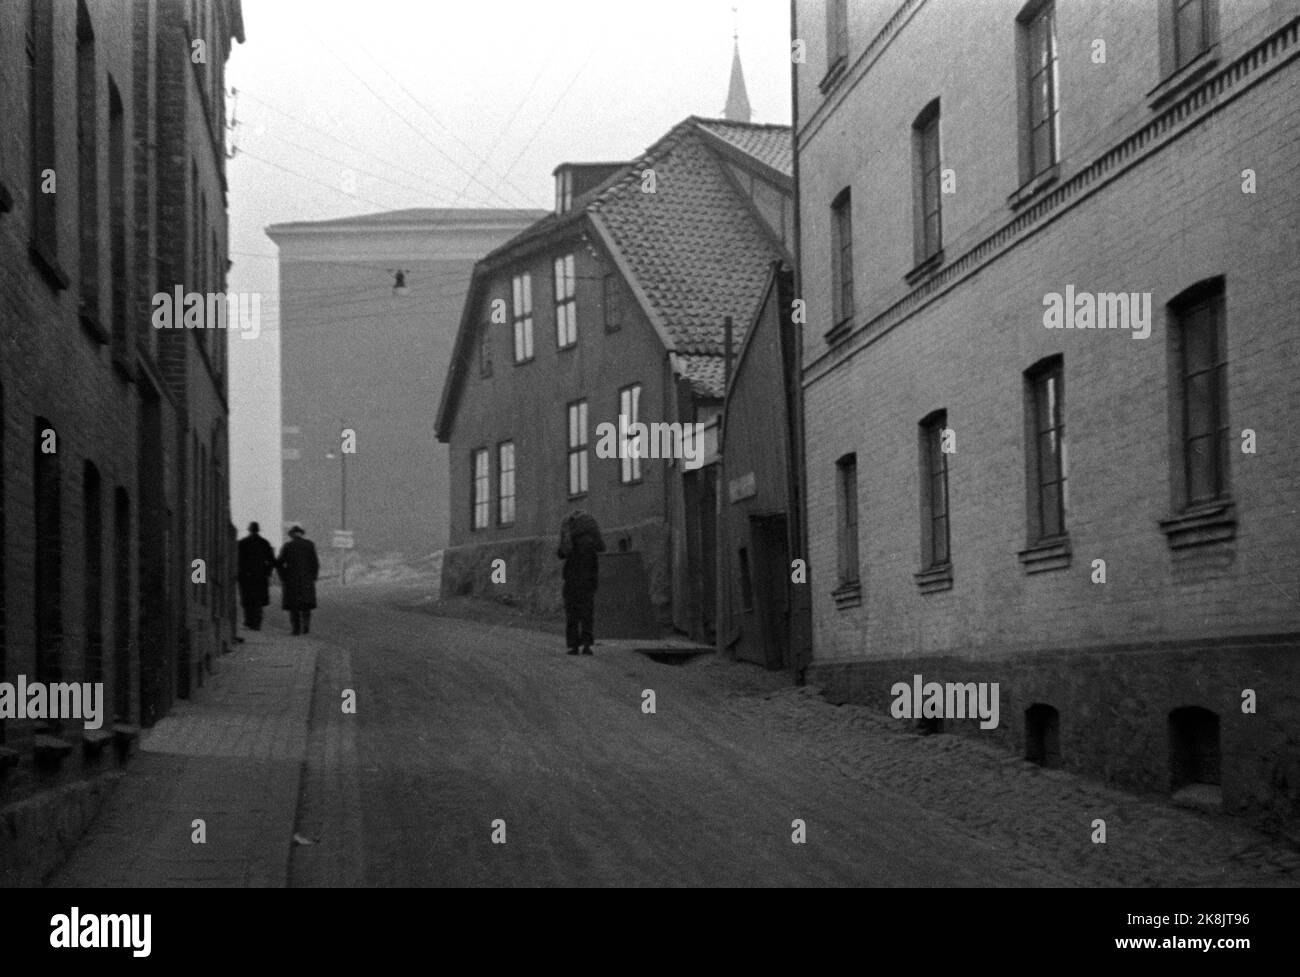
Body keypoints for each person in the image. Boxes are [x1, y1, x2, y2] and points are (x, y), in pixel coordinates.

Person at [557, 509, 605, 656]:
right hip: (588, 578)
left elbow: (561, 553)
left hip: (572, 578)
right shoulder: (592, 536)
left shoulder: (569, 536)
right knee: (587, 613)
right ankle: (586, 645)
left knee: (572, 613)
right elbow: (602, 548)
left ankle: (573, 646)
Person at [277, 525, 320, 635]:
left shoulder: (287, 546)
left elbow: (279, 563)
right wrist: (313, 577)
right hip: (307, 579)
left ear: (292, 535)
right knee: (306, 604)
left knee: (294, 606)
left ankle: (296, 629)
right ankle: (306, 626)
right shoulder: (310, 545)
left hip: (292, 580)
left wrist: (283, 577)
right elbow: (315, 563)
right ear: (301, 534)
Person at [236, 522, 277, 631]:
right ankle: (257, 623)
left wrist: (238, 574)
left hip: (246, 576)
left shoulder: (242, 543)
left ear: (249, 530)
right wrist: (267, 572)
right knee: (258, 601)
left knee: (247, 600)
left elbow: (237, 560)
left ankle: (248, 622)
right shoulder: (264, 543)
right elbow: (272, 560)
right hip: (260, 576)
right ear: (258, 530)